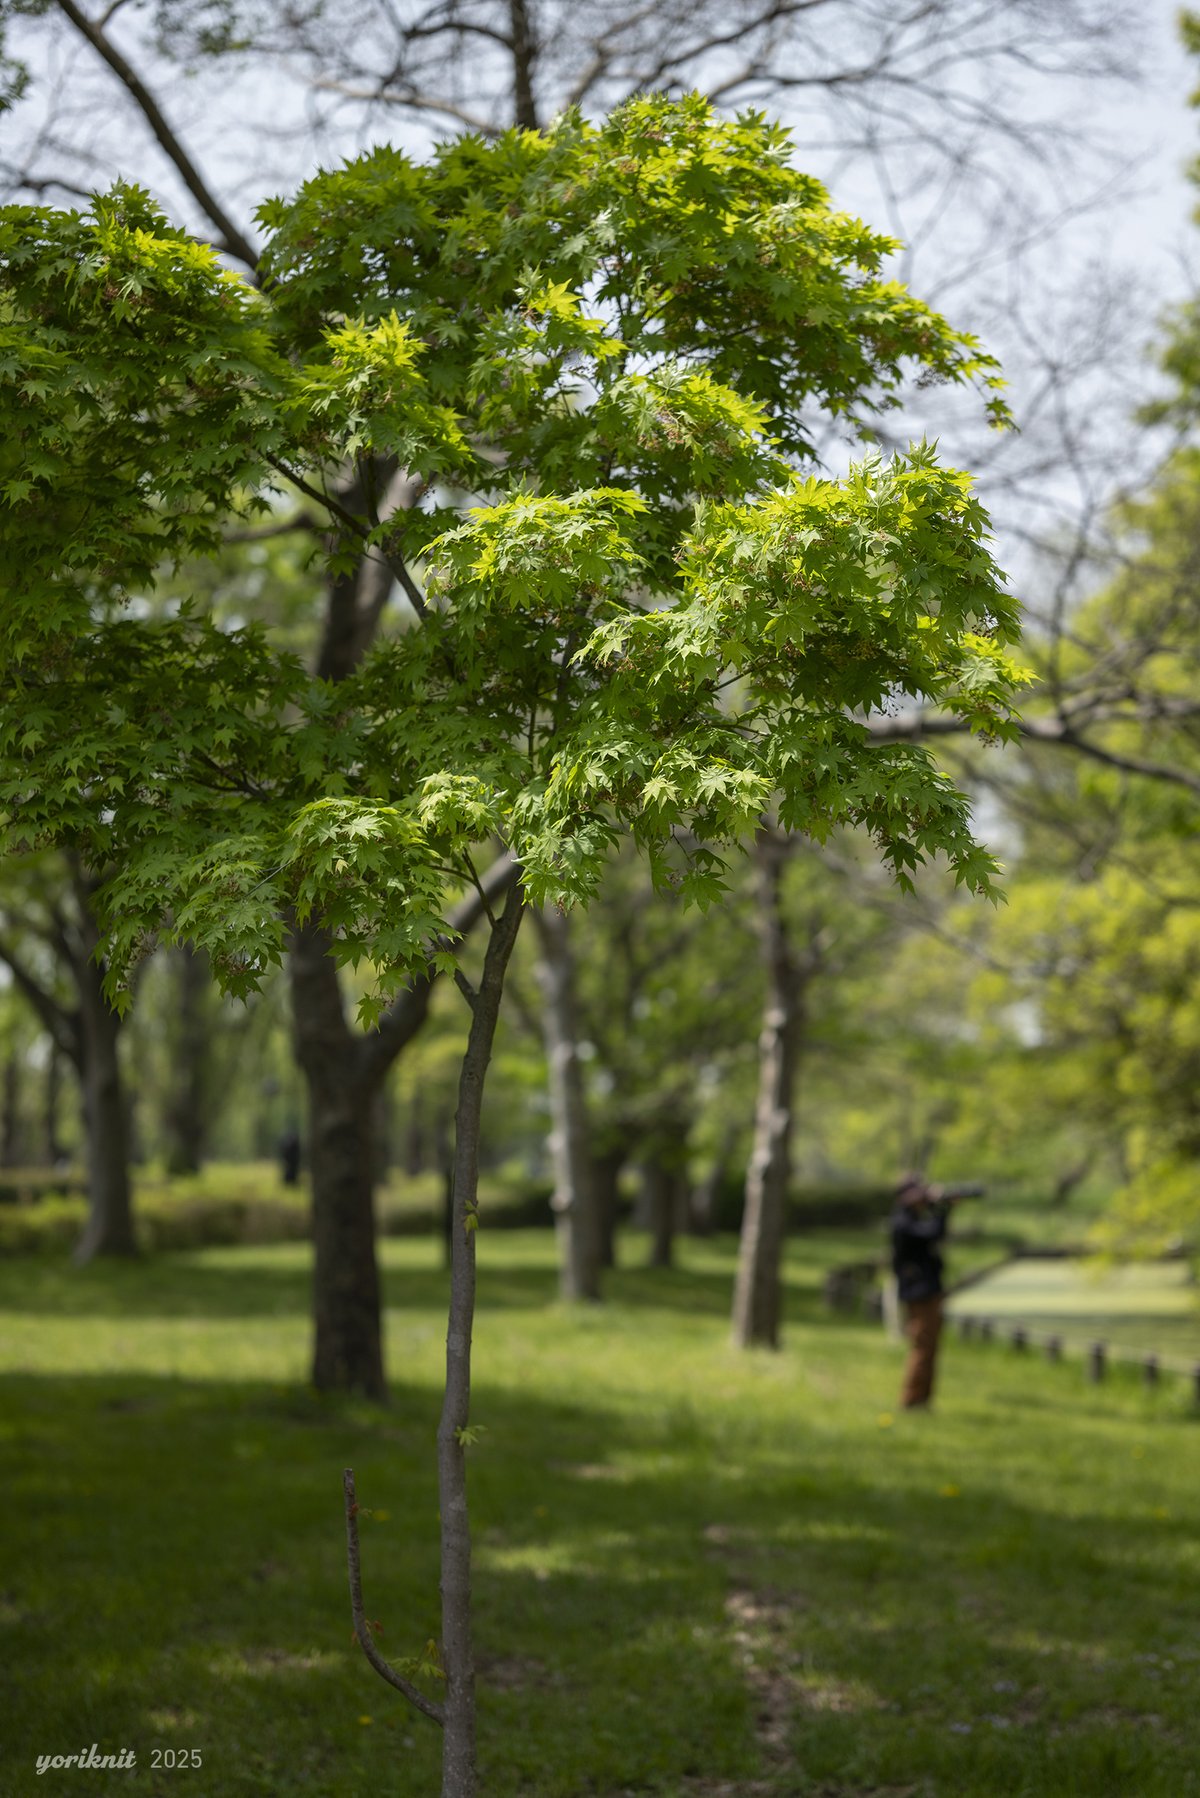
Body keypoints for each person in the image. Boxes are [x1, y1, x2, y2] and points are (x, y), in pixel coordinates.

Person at [890, 1174, 983, 1409]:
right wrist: (943, 1209)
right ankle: (912, 1400)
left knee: (929, 1347)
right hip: (919, 1293)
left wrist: (939, 1207)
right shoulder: (903, 1221)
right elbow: (933, 1233)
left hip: (927, 1290)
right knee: (923, 1346)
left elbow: (932, 1233)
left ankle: (922, 1400)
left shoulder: (913, 1218)